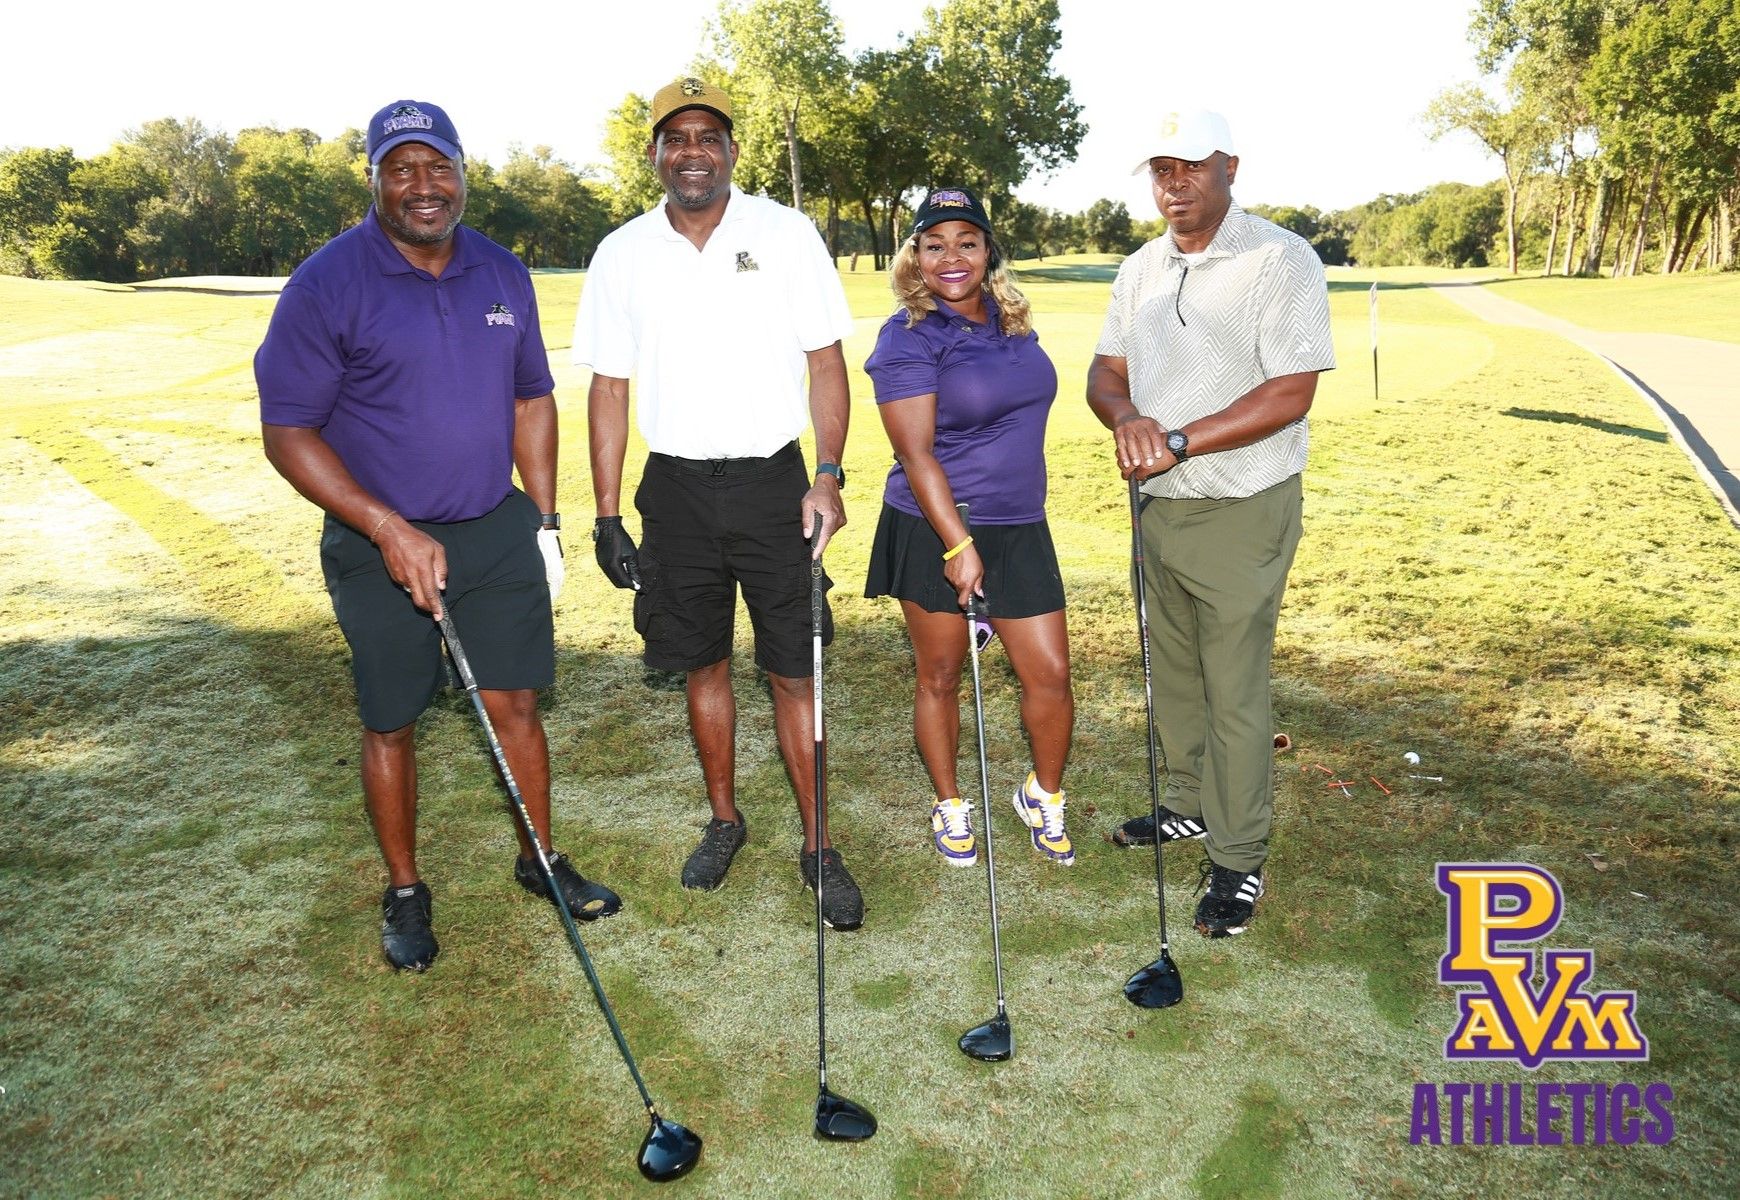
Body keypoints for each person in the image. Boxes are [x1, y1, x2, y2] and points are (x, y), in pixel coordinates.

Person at [256, 100, 620, 972]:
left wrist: (543, 520)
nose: (423, 185)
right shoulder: (326, 283)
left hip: (493, 529)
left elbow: (533, 395)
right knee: (392, 722)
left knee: (517, 703)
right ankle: (407, 889)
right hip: (374, 539)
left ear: (463, 170)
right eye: (400, 167)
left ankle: (539, 857)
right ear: (375, 179)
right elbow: (288, 431)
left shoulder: (501, 271)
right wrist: (384, 527)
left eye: (438, 165)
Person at [572, 78, 863, 928]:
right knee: (702, 661)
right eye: (677, 137)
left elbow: (824, 362)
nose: (693, 151)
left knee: (791, 666)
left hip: (775, 483)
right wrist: (604, 512)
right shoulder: (622, 251)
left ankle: (818, 845)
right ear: (656, 154)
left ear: (733, 152)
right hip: (676, 490)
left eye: (709, 136)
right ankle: (726, 818)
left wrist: (829, 474)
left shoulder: (785, 232)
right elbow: (610, 388)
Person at [1087, 109, 1334, 938]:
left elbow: (1289, 392)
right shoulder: (1141, 267)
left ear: (1230, 164)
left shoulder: (1279, 259)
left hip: (1242, 500)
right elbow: (1106, 370)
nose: (1173, 184)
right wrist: (1127, 419)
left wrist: (1179, 439)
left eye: (1190, 166)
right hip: (1159, 504)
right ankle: (1189, 804)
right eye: (1160, 168)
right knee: (1177, 672)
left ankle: (1238, 857)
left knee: (1234, 687)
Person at [863, 187, 1076, 869]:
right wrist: (958, 546)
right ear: (914, 256)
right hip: (935, 525)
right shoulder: (908, 336)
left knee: (1049, 671)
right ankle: (951, 803)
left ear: (988, 253)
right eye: (934, 244)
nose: (951, 257)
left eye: (967, 242)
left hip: (1019, 524)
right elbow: (914, 451)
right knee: (941, 672)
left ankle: (1042, 793)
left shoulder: (1012, 322)